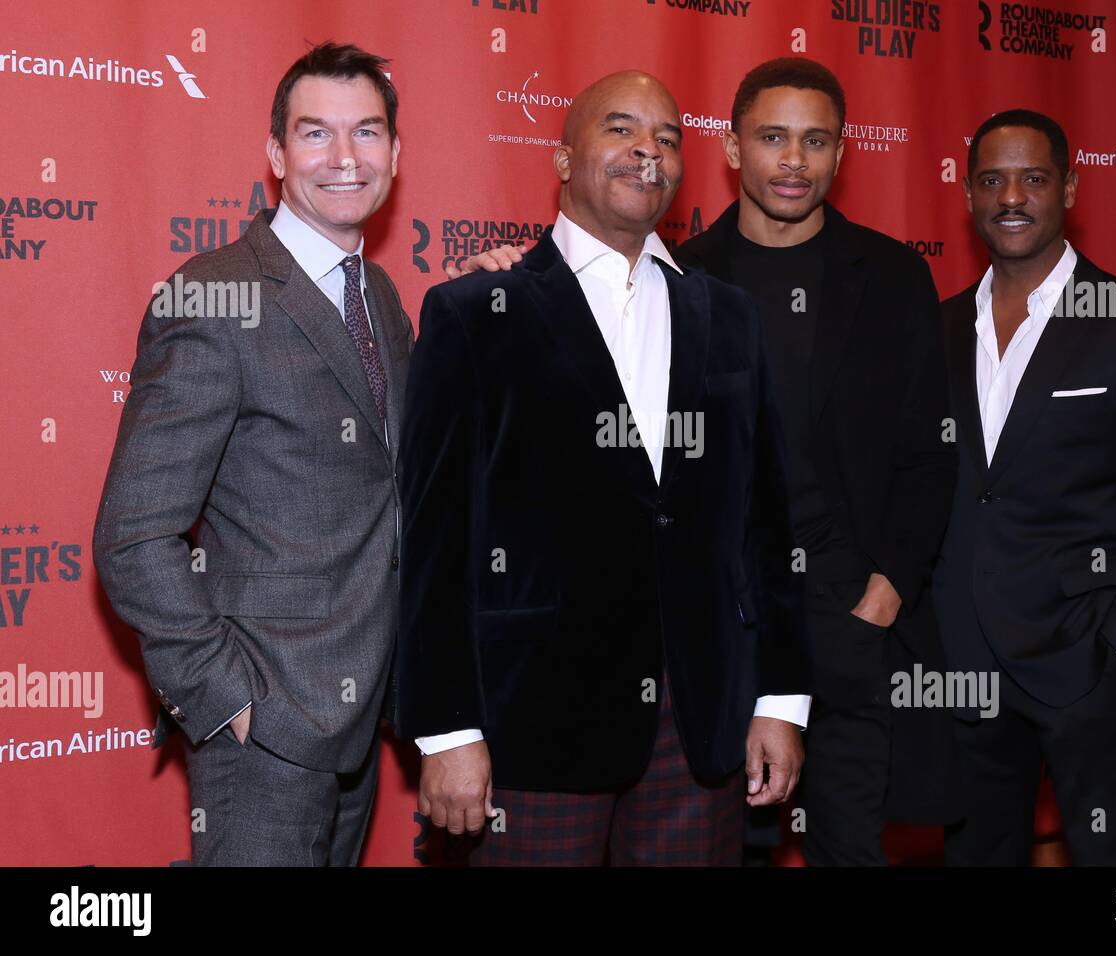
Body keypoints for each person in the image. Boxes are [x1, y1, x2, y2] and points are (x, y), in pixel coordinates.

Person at [450, 58, 960, 866]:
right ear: (733, 149)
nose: (794, 158)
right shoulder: (696, 275)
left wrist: (883, 594)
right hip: (691, 657)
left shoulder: (880, 278)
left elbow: (928, 447)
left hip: (836, 627)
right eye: (772, 137)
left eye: (816, 140)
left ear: (839, 153)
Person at [394, 70, 811, 866]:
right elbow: (435, 543)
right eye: (621, 129)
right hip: (535, 727)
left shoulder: (728, 318)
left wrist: (781, 700)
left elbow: (769, 524)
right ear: (561, 159)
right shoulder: (476, 313)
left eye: (666, 137)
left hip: (700, 725)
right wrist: (447, 732)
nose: (647, 151)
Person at [93, 42, 410, 866]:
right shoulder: (214, 294)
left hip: (359, 719)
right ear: (275, 155)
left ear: (395, 154)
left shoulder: (377, 294)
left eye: (367, 133)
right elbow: (134, 536)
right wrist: (228, 699)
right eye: (316, 134)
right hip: (263, 734)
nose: (345, 158)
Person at [934, 109, 1116, 865]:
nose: (1011, 197)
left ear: (1071, 188)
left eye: (1033, 177)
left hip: (1086, 661)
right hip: (964, 668)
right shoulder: (935, 329)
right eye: (991, 180)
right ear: (967, 197)